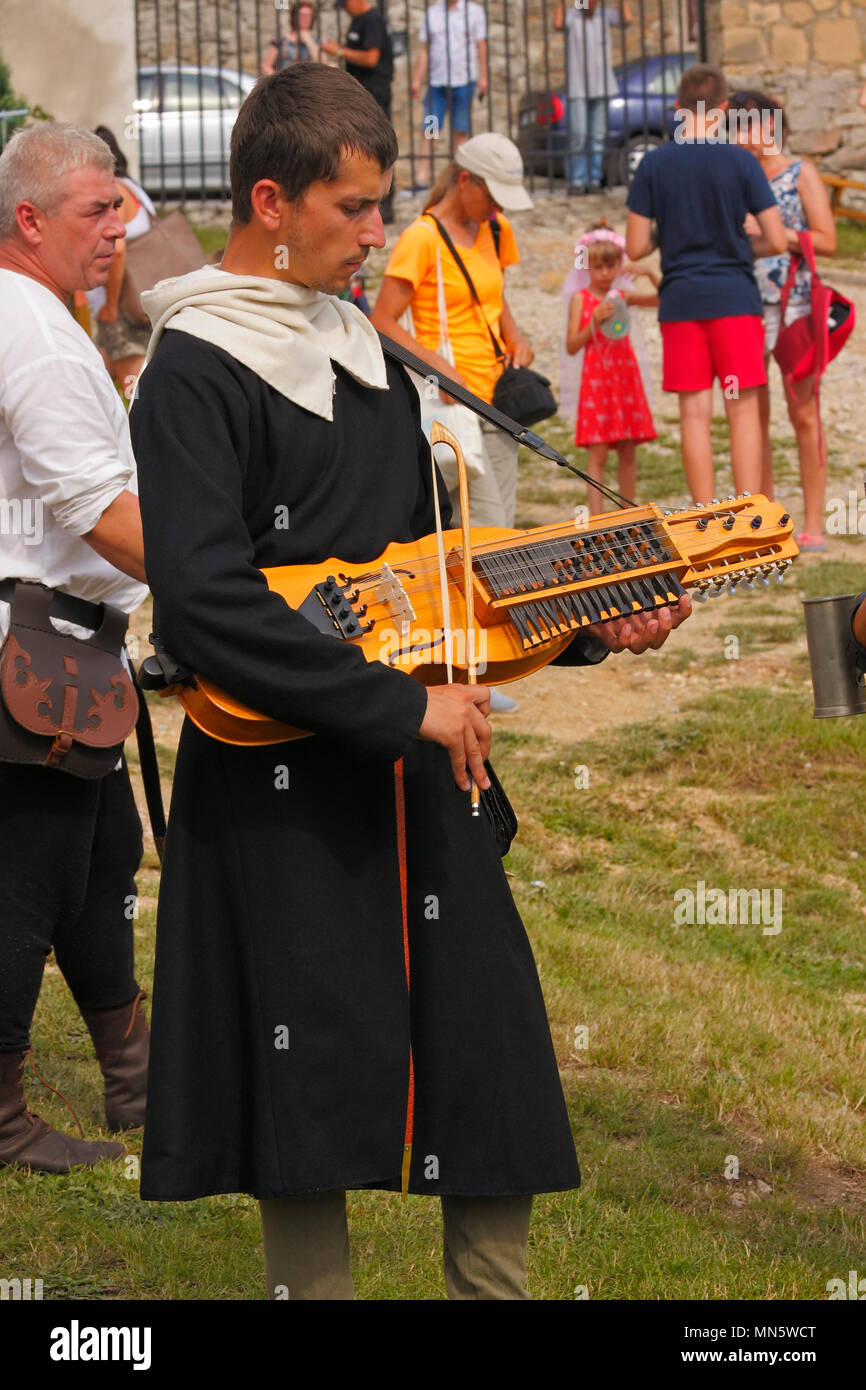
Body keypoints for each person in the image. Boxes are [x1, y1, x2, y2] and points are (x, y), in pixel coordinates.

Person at [129, 62, 690, 1301]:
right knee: (302, 1080)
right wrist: (399, 708)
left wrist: (590, 621)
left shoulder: (366, 349)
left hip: (415, 767)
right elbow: (206, 604)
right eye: (354, 211)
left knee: (481, 1054)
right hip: (282, 787)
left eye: (383, 204)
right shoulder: (196, 365)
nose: (380, 234)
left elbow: (432, 580)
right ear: (270, 201)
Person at [0, 123, 150, 1173]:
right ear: (31, 219)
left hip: (66, 649)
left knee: (100, 860)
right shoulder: (37, 334)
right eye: (97, 209)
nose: (118, 227)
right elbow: (97, 508)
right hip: (32, 653)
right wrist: (222, 581)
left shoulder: (37, 317)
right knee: (26, 883)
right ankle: (3, 1121)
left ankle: (140, 1078)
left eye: (118, 206)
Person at [625, 64, 787, 506]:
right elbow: (775, 238)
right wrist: (738, 244)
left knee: (694, 416)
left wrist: (670, 232)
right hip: (734, 299)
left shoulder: (654, 164)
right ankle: (749, 520)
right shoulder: (740, 162)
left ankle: (705, 522)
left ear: (677, 109)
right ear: (722, 110)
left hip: (681, 302)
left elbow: (636, 247)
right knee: (742, 412)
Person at [372, 132, 533, 532]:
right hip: (452, 404)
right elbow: (382, 321)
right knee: (488, 532)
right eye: (494, 197)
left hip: (497, 401)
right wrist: (436, 366)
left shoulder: (497, 229)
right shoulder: (421, 239)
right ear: (465, 181)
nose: (498, 208)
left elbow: (493, 296)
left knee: (502, 532)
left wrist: (516, 338)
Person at [732, 90, 837, 552]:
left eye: (750, 125)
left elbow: (828, 239)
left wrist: (777, 234)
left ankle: (814, 521)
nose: (742, 135)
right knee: (753, 416)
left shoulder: (801, 172)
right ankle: (765, 518)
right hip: (745, 302)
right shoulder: (733, 175)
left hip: (794, 304)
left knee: (803, 411)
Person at [562, 221, 658, 514]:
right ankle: (597, 517)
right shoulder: (581, 298)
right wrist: (593, 323)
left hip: (624, 376)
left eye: (611, 265)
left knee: (628, 448)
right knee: (597, 450)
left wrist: (651, 273)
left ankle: (627, 512)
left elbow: (662, 299)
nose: (605, 273)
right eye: (598, 266)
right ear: (586, 267)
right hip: (596, 380)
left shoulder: (622, 297)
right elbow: (572, 345)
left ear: (619, 265)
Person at [85, 125, 156, 396]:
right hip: (142, 293)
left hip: (121, 302)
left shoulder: (114, 193)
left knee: (133, 383)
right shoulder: (134, 188)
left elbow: (118, 250)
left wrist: (111, 307)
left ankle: (136, 434)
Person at [322, 1, 395, 223]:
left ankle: (385, 205)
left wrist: (339, 51)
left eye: (345, 5)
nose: (344, 9)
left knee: (378, 150)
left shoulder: (372, 21)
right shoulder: (358, 21)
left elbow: (371, 58)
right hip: (363, 96)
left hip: (375, 96)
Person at [553, 0, 633, 194]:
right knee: (578, 135)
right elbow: (557, 23)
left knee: (597, 136)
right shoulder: (573, 15)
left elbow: (628, 20)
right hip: (578, 86)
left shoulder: (604, 15)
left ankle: (594, 179)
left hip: (601, 85)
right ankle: (577, 180)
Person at [411, 0, 488, 190]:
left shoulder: (475, 12)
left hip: (464, 81)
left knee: (460, 130)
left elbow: (481, 46)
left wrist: (483, 77)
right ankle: (422, 177)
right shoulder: (433, 13)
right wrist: (416, 79)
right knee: (430, 130)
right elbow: (425, 49)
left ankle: (458, 176)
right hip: (437, 83)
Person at [260, 3, 322, 74]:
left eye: (309, 16)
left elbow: (322, 65)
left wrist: (309, 41)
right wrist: (278, 81)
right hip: (284, 82)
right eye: (302, 15)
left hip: (308, 82)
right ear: (294, 17)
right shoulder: (280, 40)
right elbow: (265, 66)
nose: (305, 18)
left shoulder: (316, 41)